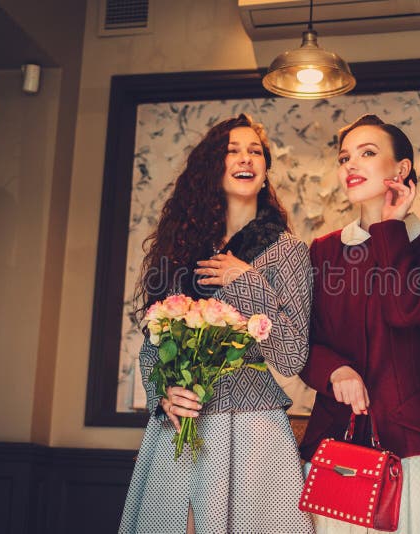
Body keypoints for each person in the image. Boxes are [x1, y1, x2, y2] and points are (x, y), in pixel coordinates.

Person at [118, 114, 314, 534]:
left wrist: (244, 280)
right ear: (213, 168)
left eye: (255, 151)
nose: (245, 158)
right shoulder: (183, 247)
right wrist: (163, 395)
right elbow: (153, 344)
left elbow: (293, 355)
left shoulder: (289, 252)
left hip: (253, 429)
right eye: (232, 150)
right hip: (181, 423)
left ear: (265, 173)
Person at [299, 114, 420, 534]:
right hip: (335, 445)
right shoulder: (322, 251)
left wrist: (389, 227)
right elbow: (299, 342)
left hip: (414, 445)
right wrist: (334, 370)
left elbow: (405, 311)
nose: (351, 165)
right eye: (345, 158)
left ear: (402, 170)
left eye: (367, 153)